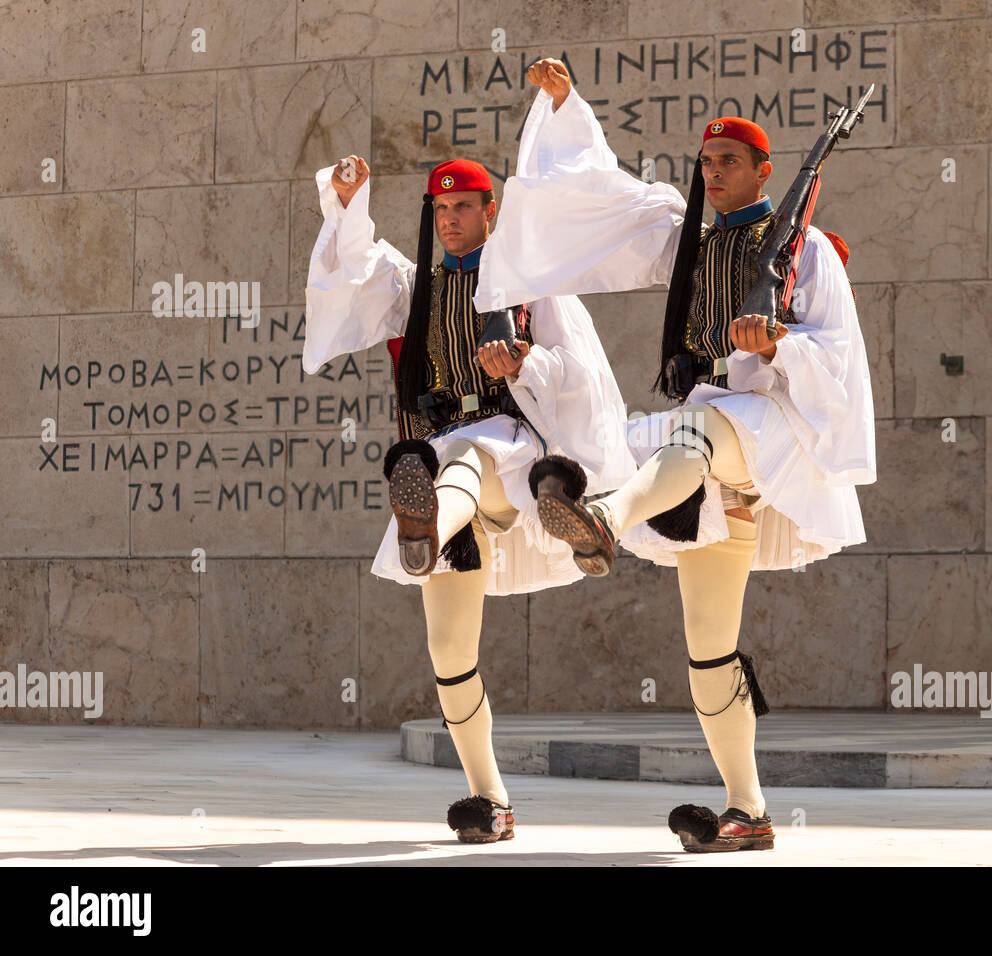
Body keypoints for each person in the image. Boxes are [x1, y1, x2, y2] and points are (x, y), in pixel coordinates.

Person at [478, 60, 877, 852]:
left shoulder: (806, 255)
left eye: (729, 161)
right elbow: (602, 198)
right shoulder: (683, 242)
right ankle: (749, 810)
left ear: (766, 171)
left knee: (688, 435)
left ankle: (605, 518)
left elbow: (841, 356)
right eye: (706, 161)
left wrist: (783, 343)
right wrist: (564, 109)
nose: (714, 172)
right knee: (706, 647)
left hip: (771, 431)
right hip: (707, 453)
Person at [302, 153, 633, 844]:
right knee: (449, 652)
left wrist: (525, 361)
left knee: (466, 455)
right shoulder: (414, 287)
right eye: (441, 209)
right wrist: (346, 201)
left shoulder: (529, 285)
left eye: (464, 208)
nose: (451, 220)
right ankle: (492, 800)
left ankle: (422, 526)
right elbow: (354, 267)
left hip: (509, 456)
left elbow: (581, 372)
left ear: (492, 213)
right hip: (445, 454)